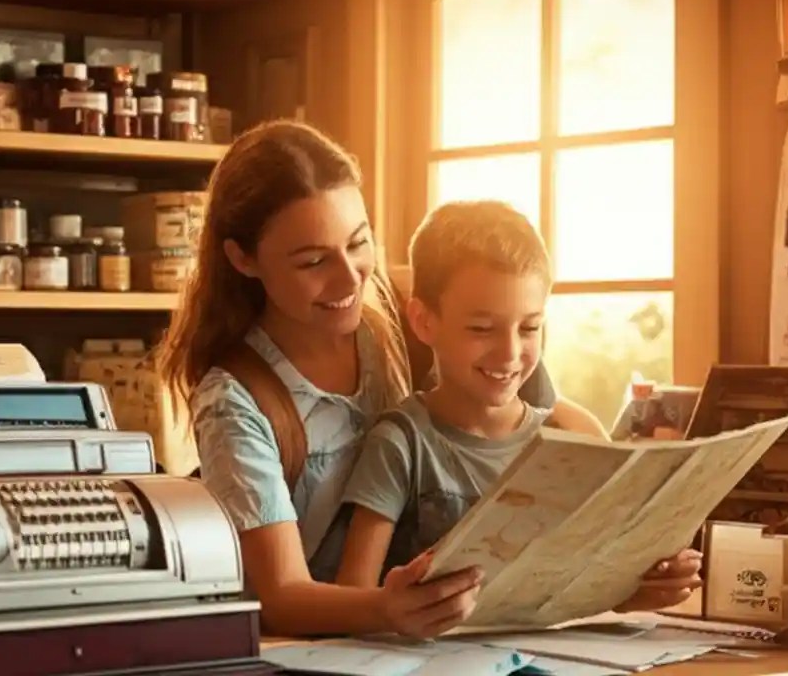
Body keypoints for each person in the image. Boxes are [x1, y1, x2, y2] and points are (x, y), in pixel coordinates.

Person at [157, 120, 604, 638]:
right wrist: (383, 609)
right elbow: (280, 596)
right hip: (320, 649)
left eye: (358, 242)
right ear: (243, 259)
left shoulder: (409, 317)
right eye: (314, 261)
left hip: (445, 633)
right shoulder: (234, 398)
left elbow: (547, 413)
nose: (350, 279)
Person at [335, 200, 702, 616]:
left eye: (530, 327)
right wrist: (395, 605)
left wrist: (646, 587)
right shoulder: (401, 443)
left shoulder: (573, 437)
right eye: (481, 328)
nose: (510, 353)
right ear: (423, 321)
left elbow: (595, 583)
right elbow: (354, 595)